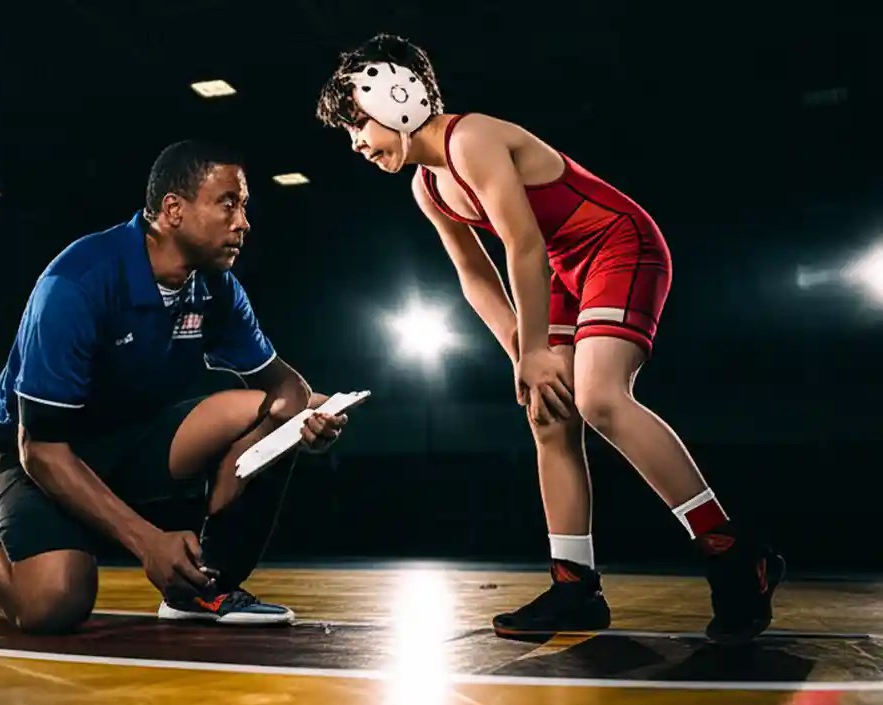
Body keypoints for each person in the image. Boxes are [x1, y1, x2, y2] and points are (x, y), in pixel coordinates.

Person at [315, 34, 783, 643]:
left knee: (599, 398)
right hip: (562, 264)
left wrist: (537, 349)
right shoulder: (426, 185)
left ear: (397, 97)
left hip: (615, 242)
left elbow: (522, 242)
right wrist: (521, 351)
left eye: (357, 124)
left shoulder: (471, 137)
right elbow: (474, 276)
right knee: (549, 412)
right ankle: (574, 587)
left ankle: (733, 551)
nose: (356, 143)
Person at [0, 140, 348, 633]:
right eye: (228, 204)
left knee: (276, 413)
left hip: (133, 432)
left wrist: (307, 419)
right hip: (38, 448)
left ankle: (204, 587)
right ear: (173, 210)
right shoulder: (77, 283)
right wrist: (148, 542)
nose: (243, 222)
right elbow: (40, 448)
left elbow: (285, 388)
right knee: (52, 602)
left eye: (244, 207)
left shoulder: (215, 285)